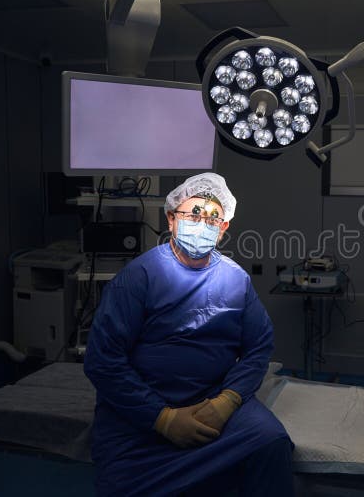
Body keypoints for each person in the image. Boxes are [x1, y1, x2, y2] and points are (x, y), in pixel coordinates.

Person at [84, 172, 293, 497]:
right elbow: (103, 361)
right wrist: (162, 418)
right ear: (171, 218)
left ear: (223, 229)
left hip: (213, 405)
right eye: (194, 213)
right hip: (140, 418)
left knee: (270, 441)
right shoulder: (139, 277)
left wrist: (228, 400)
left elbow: (259, 346)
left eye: (213, 218)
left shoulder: (235, 280)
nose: (202, 223)